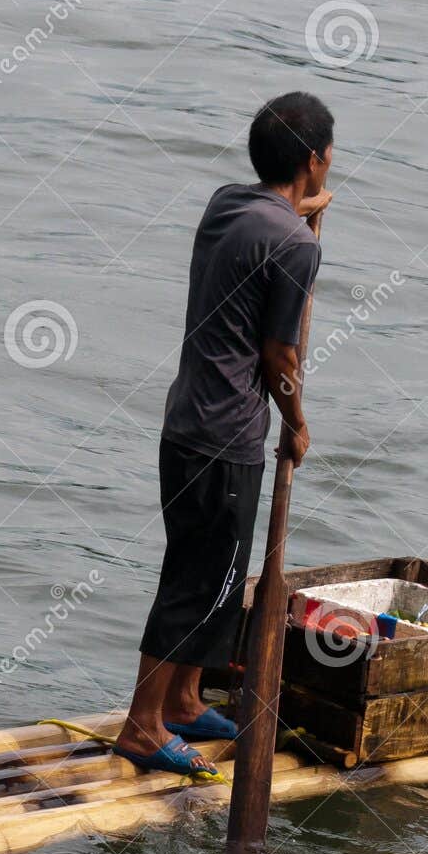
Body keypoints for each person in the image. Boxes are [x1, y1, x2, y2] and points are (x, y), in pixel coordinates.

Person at [114, 91, 334, 776]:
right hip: (227, 435)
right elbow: (280, 357)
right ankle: (144, 725)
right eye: (328, 154)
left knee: (209, 574)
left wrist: (303, 210)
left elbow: (265, 231)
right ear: (311, 160)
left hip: (185, 424)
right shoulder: (295, 245)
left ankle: (182, 699)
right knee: (196, 582)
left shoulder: (226, 203)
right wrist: (297, 424)